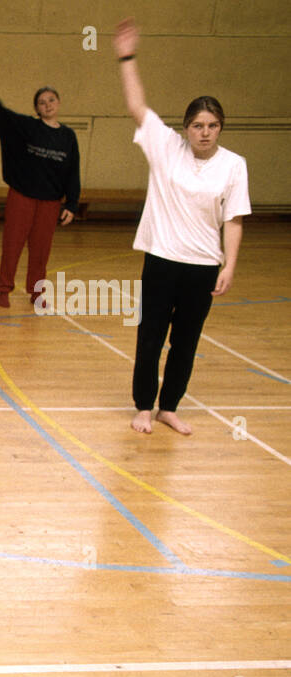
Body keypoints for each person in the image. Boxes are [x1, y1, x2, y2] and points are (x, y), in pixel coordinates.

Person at [115, 18, 248, 436]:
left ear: (219, 127)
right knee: (150, 337)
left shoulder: (234, 165)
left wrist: (228, 266)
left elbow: (234, 218)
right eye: (197, 126)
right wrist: (127, 57)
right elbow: (138, 105)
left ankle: (169, 406)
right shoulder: (165, 146)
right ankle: (142, 405)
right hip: (162, 261)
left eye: (211, 126)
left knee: (186, 343)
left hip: (203, 266)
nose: (204, 133)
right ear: (186, 127)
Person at [0, 52, 80, 309]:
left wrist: (72, 204)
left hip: (51, 202)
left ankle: (36, 292)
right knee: (12, 245)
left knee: (41, 251)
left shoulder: (68, 136)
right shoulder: (26, 127)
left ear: (59, 103)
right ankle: (4, 289)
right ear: (36, 108)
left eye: (51, 100)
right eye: (41, 102)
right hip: (21, 197)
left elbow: (73, 171)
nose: (47, 105)